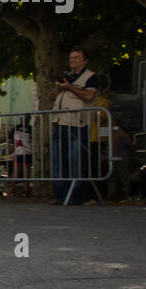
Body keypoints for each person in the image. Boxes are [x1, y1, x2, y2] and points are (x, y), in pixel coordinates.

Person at [48, 46, 100, 204]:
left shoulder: (91, 77)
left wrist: (70, 87)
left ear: (85, 60)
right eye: (71, 58)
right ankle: (61, 194)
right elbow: (51, 97)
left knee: (76, 160)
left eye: (76, 58)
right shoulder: (66, 76)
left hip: (77, 123)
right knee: (59, 160)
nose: (72, 60)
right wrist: (59, 88)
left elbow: (89, 96)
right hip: (60, 122)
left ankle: (76, 195)